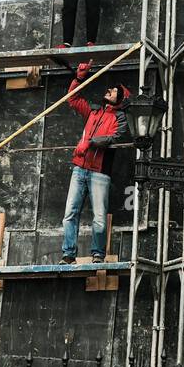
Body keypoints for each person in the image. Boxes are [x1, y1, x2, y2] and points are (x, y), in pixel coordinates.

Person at [61, 60, 131, 263]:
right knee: (69, 214)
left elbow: (115, 137)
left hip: (100, 172)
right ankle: (68, 255)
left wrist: (90, 143)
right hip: (79, 168)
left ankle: (98, 255)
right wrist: (78, 78)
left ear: (120, 98)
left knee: (99, 217)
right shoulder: (93, 112)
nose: (109, 90)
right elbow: (72, 99)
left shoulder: (120, 118)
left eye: (114, 90)